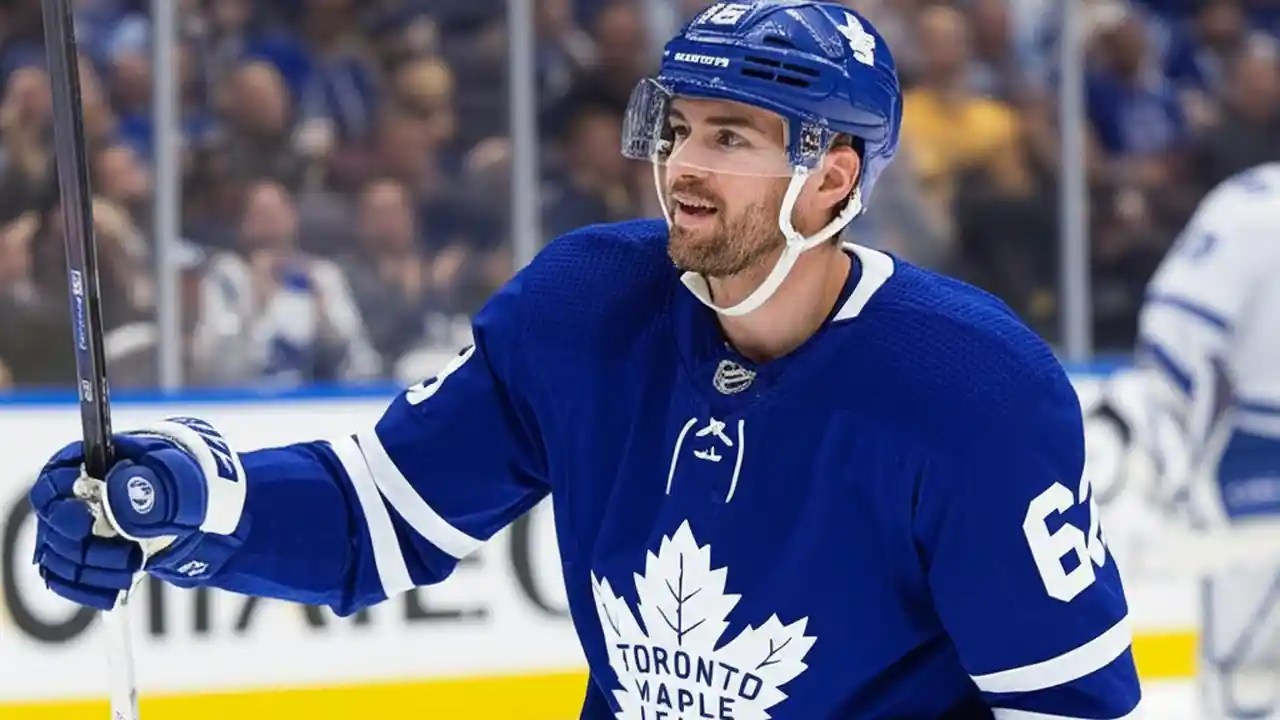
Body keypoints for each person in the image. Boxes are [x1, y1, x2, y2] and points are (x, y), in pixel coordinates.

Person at [29, 3, 1142, 717]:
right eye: (678, 127)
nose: (683, 165)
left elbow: (1065, 704)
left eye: (730, 136)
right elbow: (378, 516)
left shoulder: (972, 390)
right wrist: (190, 503)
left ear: (834, 179)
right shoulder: (584, 306)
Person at [1085, 163, 1280, 719]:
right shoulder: (1256, 209)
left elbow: (1173, 344)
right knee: (1248, 676)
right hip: (1258, 462)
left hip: (1253, 459)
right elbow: (1175, 346)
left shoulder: (1252, 204)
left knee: (1247, 676)